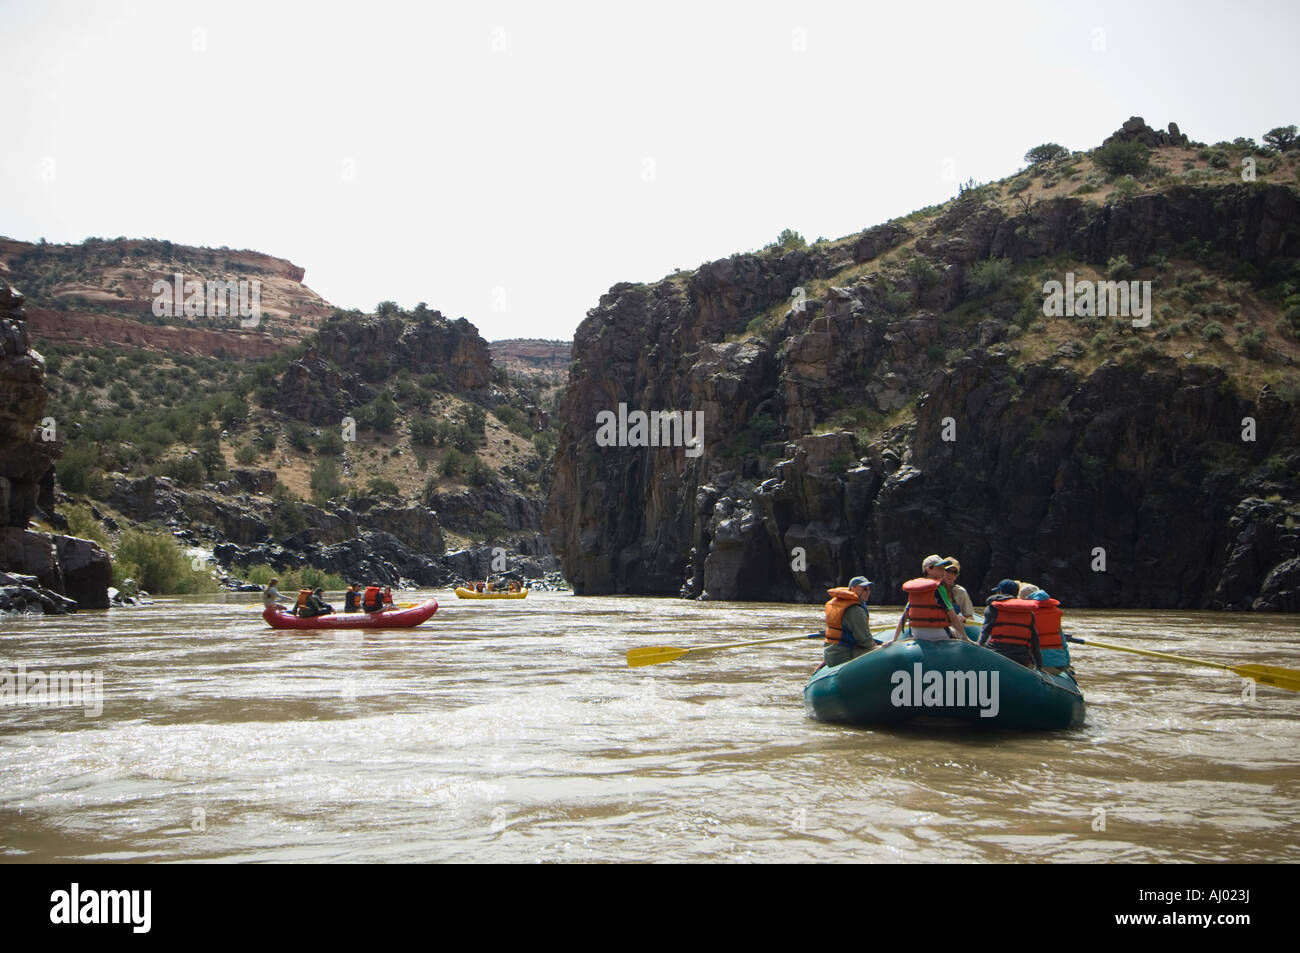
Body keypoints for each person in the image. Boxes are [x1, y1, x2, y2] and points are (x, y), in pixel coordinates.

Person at [893, 555, 968, 642]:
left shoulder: (915, 589)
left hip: (917, 634)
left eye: (944, 568)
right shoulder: (939, 588)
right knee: (957, 633)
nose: (943, 571)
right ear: (928, 569)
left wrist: (894, 639)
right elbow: (952, 616)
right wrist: (966, 638)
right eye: (940, 568)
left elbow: (904, 616)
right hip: (939, 634)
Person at [979, 579, 1042, 669]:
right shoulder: (1028, 612)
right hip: (1021, 659)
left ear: (1000, 592)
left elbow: (985, 633)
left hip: (997, 654)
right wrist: (1039, 665)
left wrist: (977, 650)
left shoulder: (992, 608)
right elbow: (1035, 640)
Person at [822, 576, 876, 669]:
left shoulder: (841, 602)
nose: (868, 592)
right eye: (864, 589)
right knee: (884, 651)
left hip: (831, 655)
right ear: (853, 589)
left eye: (869, 589)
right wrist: (877, 646)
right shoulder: (855, 610)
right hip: (843, 655)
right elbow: (865, 641)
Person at [1028, 589, 1072, 676]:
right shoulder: (1055, 620)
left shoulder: (1029, 616)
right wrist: (1067, 665)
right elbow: (1064, 645)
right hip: (1058, 667)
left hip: (1040, 666)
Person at [942, 557, 977, 626]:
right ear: (941, 571)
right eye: (948, 570)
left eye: (954, 572)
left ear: (957, 575)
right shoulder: (933, 588)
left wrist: (963, 620)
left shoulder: (961, 592)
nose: (951, 575)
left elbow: (970, 618)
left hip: (952, 627)